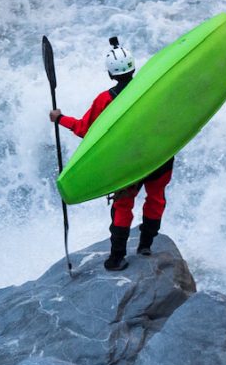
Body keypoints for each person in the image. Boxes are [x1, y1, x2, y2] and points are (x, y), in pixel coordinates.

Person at [50, 36, 172, 272]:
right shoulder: (152, 89)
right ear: (134, 67)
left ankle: (117, 258)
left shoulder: (105, 100)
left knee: (123, 205)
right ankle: (146, 245)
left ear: (110, 74)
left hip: (128, 162)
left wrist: (60, 119)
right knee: (156, 198)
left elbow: (85, 130)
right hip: (160, 155)